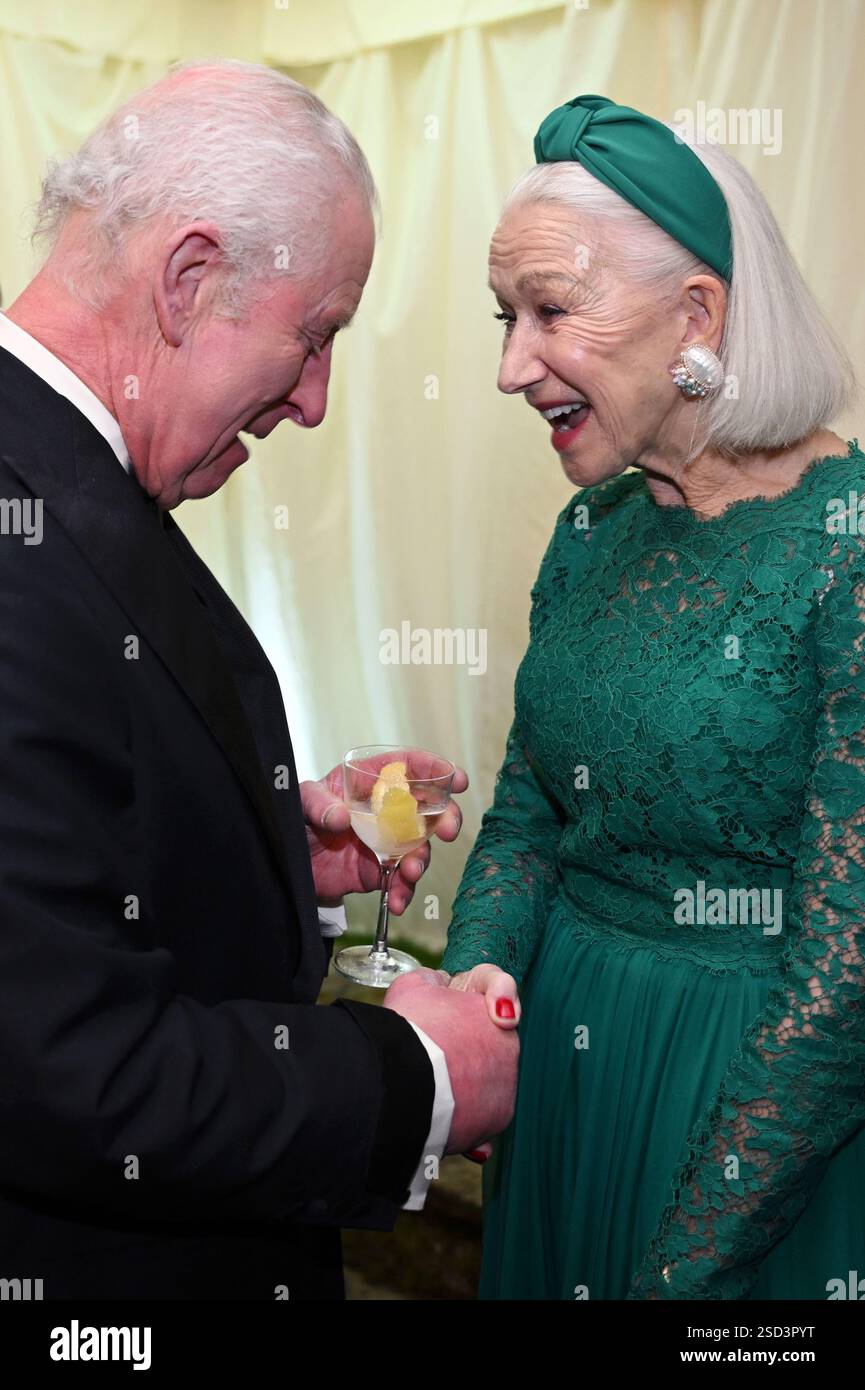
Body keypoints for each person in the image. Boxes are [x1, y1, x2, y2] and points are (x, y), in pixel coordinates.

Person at [0, 58, 518, 1301]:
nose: (318, 401)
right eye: (318, 332)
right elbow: (77, 1070)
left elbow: (64, 858)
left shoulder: (72, 472)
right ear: (189, 280)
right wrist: (420, 1075)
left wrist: (279, 846)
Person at [441, 94, 865, 1300]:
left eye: (551, 312)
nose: (512, 366)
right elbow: (530, 809)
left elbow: (850, 967)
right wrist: (480, 971)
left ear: (698, 316)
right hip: (570, 1081)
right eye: (504, 317)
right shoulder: (591, 529)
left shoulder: (850, 545)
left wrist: (689, 1251)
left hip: (755, 1124)